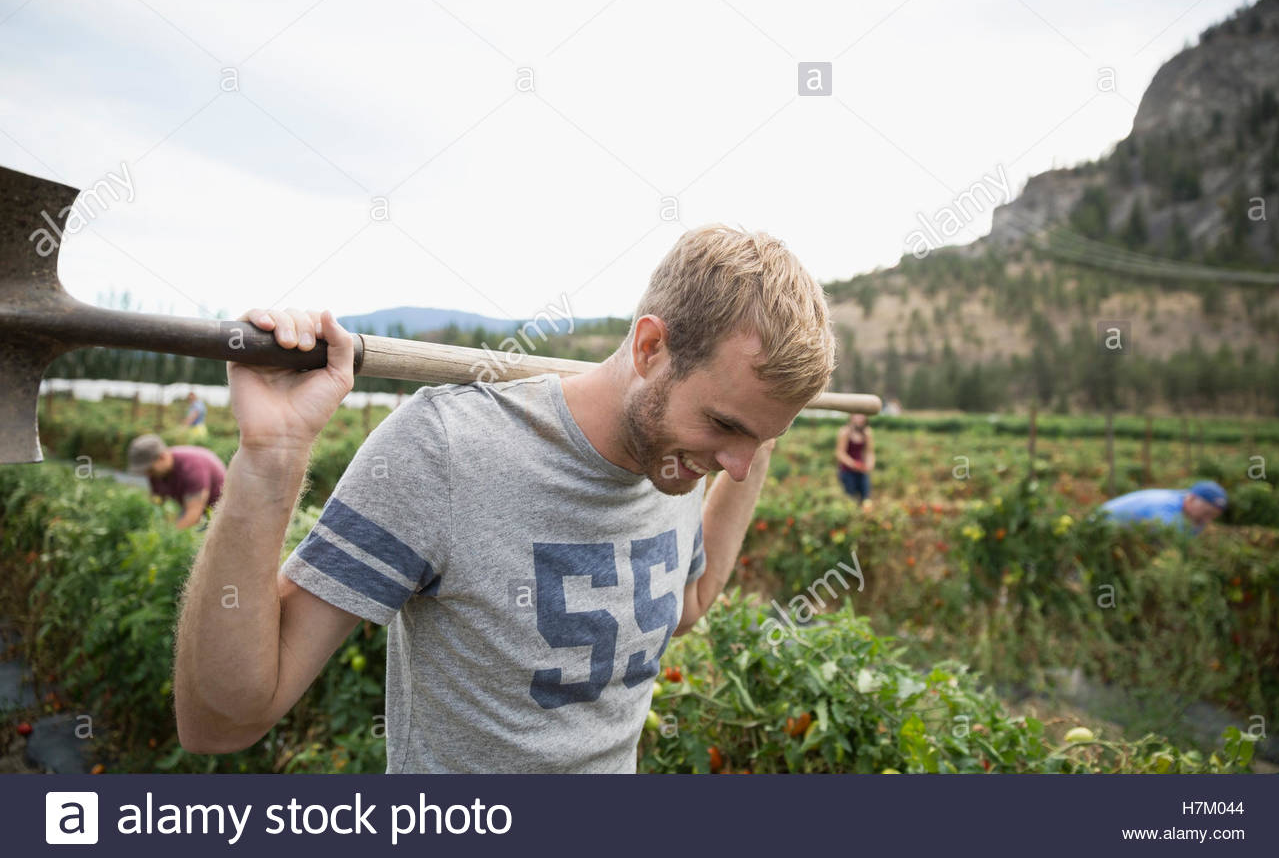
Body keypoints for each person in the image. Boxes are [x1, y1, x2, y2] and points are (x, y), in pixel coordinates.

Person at [173, 225, 837, 772]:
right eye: (727, 425)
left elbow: (683, 607)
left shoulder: (682, 461)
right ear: (651, 347)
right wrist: (272, 458)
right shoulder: (446, 451)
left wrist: (749, 434)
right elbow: (222, 722)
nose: (738, 468)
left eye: (759, 440)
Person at [127, 434, 226, 530]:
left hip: (222, 511)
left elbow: (193, 515)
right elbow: (157, 503)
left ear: (162, 457)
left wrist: (167, 537)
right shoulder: (156, 473)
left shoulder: (192, 468)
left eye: (150, 470)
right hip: (191, 506)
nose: (148, 474)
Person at [1098, 480, 1228, 535]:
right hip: (1097, 529)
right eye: (1206, 513)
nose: (1207, 520)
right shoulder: (1164, 508)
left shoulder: (1183, 503)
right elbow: (1167, 544)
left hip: (1120, 534)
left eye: (1213, 517)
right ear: (1191, 499)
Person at [835, 412, 874, 511]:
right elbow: (840, 453)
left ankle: (864, 518)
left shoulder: (866, 432)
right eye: (857, 415)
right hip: (847, 471)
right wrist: (853, 464)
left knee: (866, 497)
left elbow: (869, 452)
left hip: (862, 470)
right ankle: (852, 516)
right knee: (850, 498)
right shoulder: (845, 432)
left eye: (862, 415)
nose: (860, 418)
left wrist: (869, 464)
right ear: (851, 417)